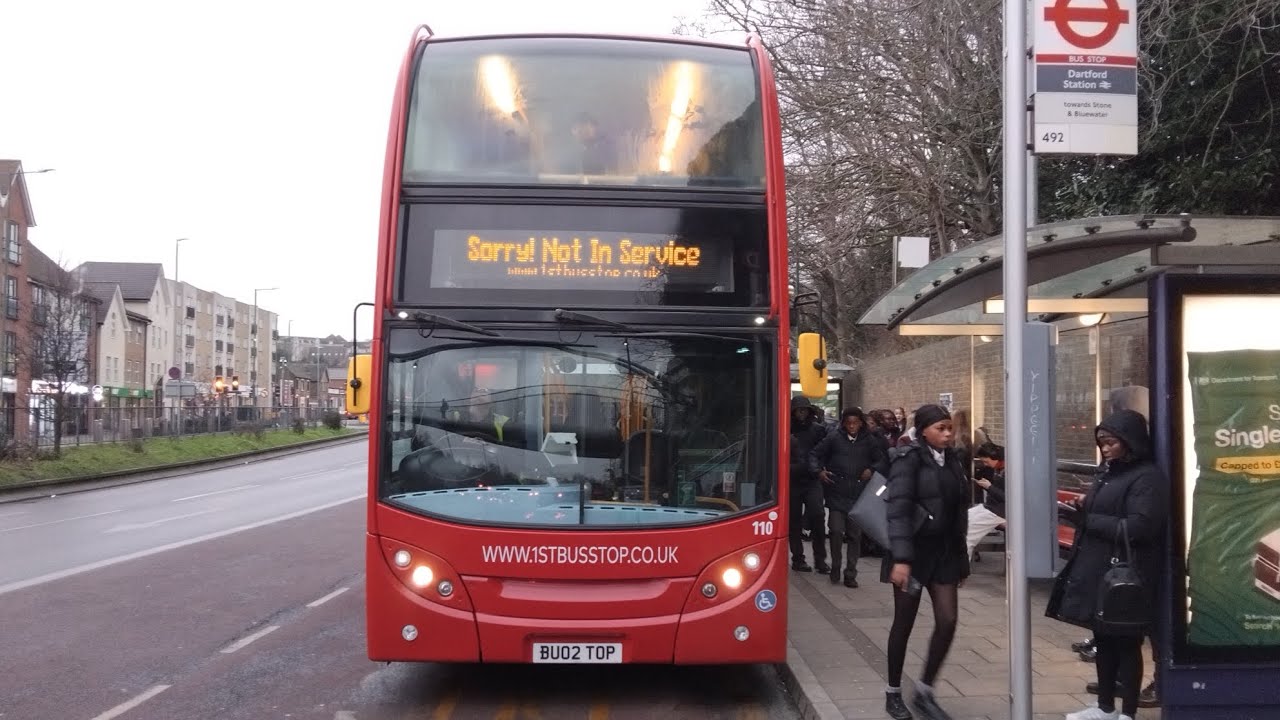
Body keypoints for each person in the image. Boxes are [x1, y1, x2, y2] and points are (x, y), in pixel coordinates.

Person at [1050, 410, 1167, 720]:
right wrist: (1082, 506)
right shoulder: (1109, 471)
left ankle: (1126, 712)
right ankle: (1104, 707)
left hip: (1128, 571)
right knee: (1104, 640)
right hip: (1101, 568)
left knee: (1126, 644)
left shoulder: (1147, 477)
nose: (1105, 448)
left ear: (1129, 441)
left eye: (1111, 442)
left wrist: (1087, 519)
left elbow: (1141, 526)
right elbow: (1105, 510)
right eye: (1101, 442)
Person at [882, 404, 970, 720]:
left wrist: (962, 560)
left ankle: (924, 690)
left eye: (950, 428)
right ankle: (893, 693)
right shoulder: (908, 459)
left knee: (947, 620)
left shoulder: (955, 461)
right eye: (940, 429)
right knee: (903, 623)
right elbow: (898, 511)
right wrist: (902, 559)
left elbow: (960, 513)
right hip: (913, 554)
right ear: (923, 431)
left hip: (945, 552)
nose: (947, 434)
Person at [810, 407, 887, 587]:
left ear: (861, 423)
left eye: (856, 423)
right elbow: (815, 454)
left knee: (854, 536)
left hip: (859, 494)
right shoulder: (834, 438)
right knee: (836, 531)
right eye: (848, 423)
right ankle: (836, 565)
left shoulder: (869, 441)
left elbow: (882, 459)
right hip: (837, 491)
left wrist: (872, 469)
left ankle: (850, 573)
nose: (852, 426)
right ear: (843, 423)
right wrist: (818, 471)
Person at [789, 396, 829, 573]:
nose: (801, 413)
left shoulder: (818, 430)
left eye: (804, 410)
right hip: (792, 481)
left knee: (818, 516)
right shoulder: (786, 428)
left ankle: (820, 559)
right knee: (794, 522)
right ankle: (798, 558)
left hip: (812, 479)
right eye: (798, 410)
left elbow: (825, 451)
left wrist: (820, 468)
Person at [964, 442, 1006, 559]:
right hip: (991, 507)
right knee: (961, 522)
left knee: (967, 537)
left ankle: (961, 570)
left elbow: (1008, 497)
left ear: (995, 457)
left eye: (986, 461)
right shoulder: (999, 468)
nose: (985, 464)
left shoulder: (1008, 471)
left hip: (998, 511)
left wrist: (989, 487)